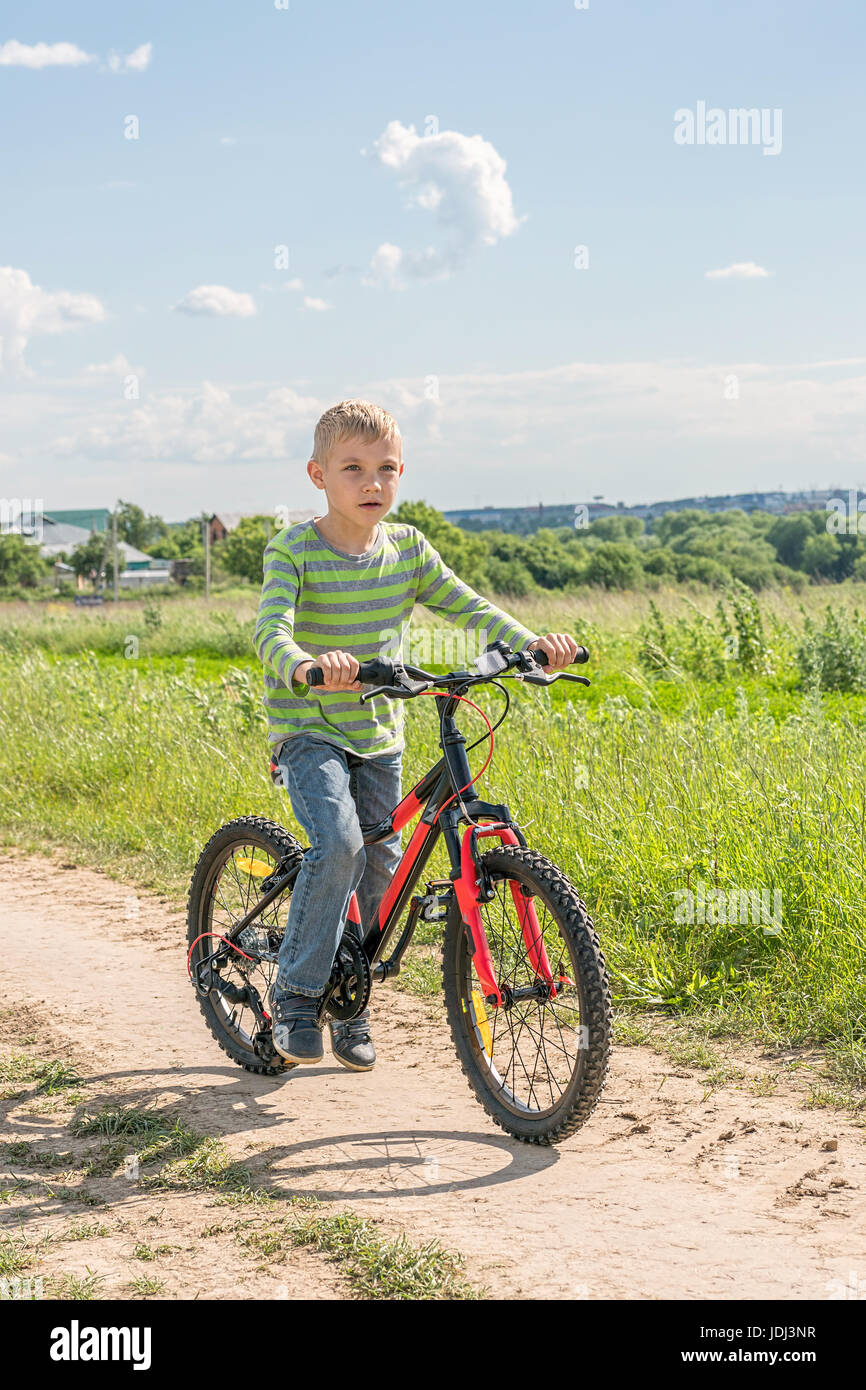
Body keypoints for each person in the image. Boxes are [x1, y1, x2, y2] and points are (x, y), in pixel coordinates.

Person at [253, 398, 580, 1069]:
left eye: (386, 469)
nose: (372, 483)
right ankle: (294, 995)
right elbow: (270, 632)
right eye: (353, 469)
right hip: (310, 730)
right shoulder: (295, 549)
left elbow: (465, 602)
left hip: (379, 732)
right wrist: (309, 667)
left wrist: (533, 646)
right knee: (340, 845)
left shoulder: (407, 549)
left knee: (384, 865)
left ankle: (352, 1003)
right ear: (317, 475)